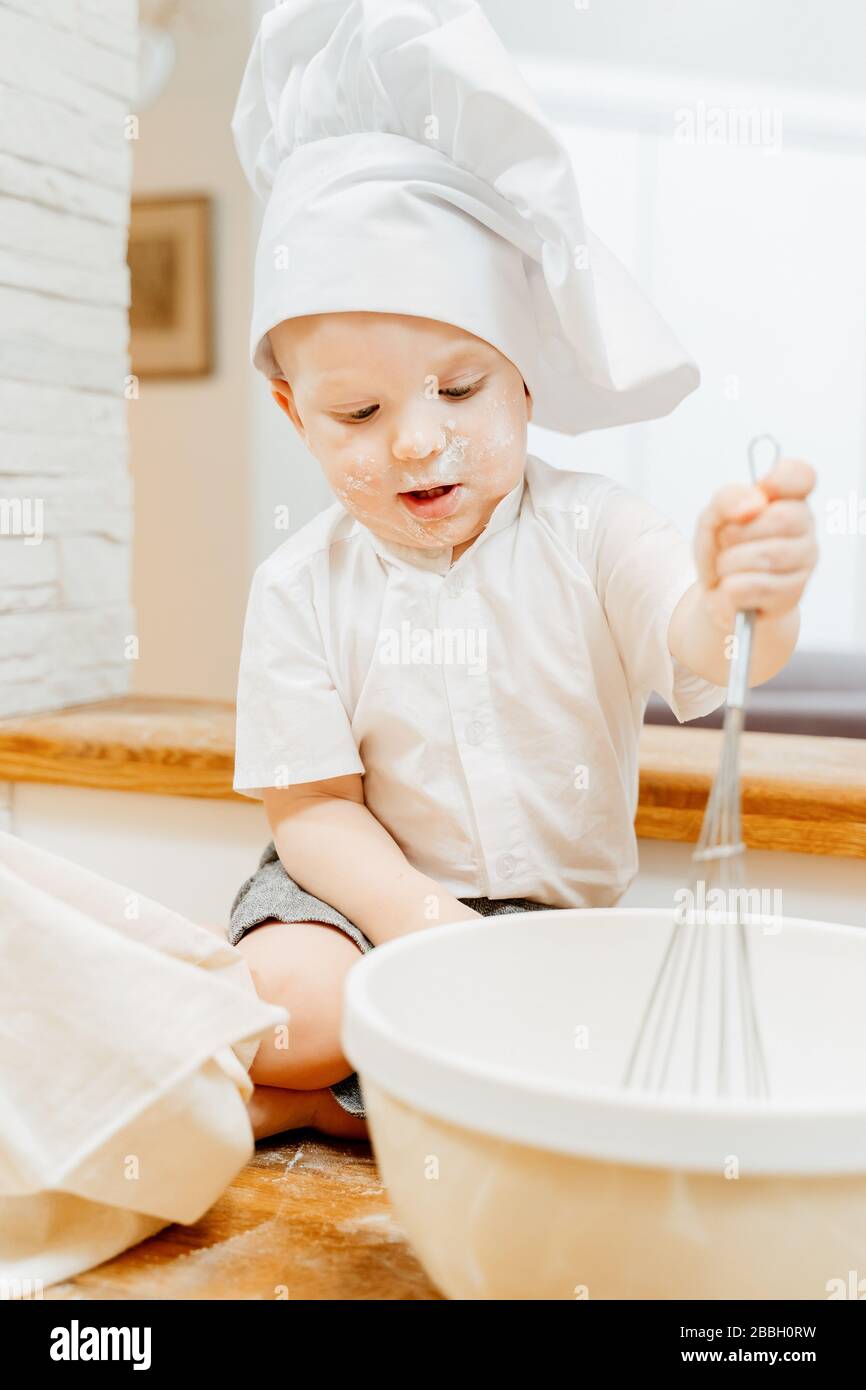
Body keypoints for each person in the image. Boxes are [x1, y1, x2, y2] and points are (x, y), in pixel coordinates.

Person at [226, 1, 817, 1141]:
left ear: (527, 375)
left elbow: (703, 646)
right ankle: (319, 1080)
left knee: (575, 1067)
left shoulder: (595, 531)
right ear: (295, 412)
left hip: (545, 923)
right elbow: (314, 814)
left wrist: (749, 595)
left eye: (459, 390)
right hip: (357, 896)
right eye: (358, 413)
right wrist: (418, 923)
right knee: (291, 1010)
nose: (416, 442)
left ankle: (320, 1112)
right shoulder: (300, 586)